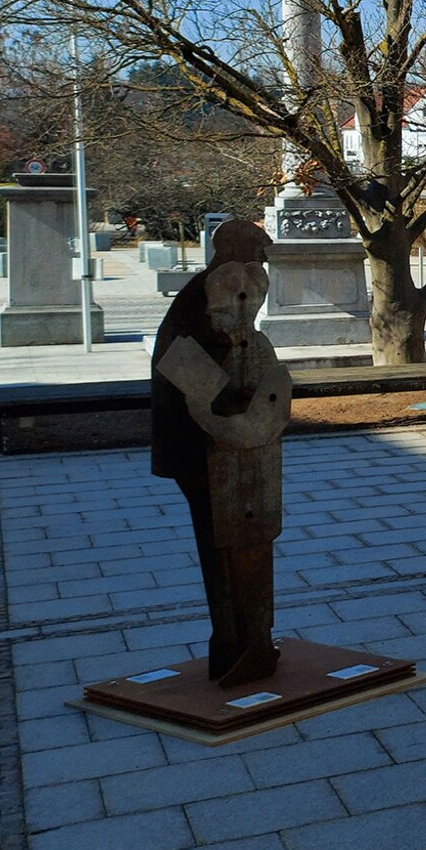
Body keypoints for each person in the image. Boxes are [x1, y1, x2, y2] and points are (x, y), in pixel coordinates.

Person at [151, 219, 291, 686]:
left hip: (217, 448)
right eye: (258, 251)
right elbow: (181, 366)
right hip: (203, 450)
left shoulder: (208, 295)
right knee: (224, 544)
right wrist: (238, 411)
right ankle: (234, 645)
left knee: (237, 543)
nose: (263, 261)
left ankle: (245, 642)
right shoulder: (205, 300)